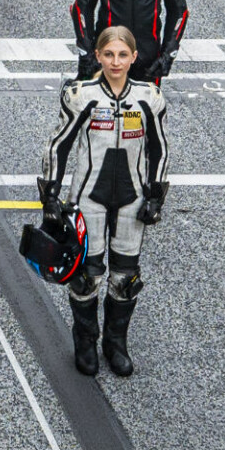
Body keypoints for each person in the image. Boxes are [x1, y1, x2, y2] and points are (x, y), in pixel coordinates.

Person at [39, 24, 170, 380]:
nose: (115, 61)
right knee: (86, 277)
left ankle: (116, 343)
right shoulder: (81, 96)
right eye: (108, 54)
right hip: (87, 197)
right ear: (97, 56)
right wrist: (50, 192)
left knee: (125, 278)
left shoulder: (149, 98)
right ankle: (85, 341)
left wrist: (156, 194)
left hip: (132, 199)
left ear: (134, 57)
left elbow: (160, 148)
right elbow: (59, 144)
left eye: (122, 55)